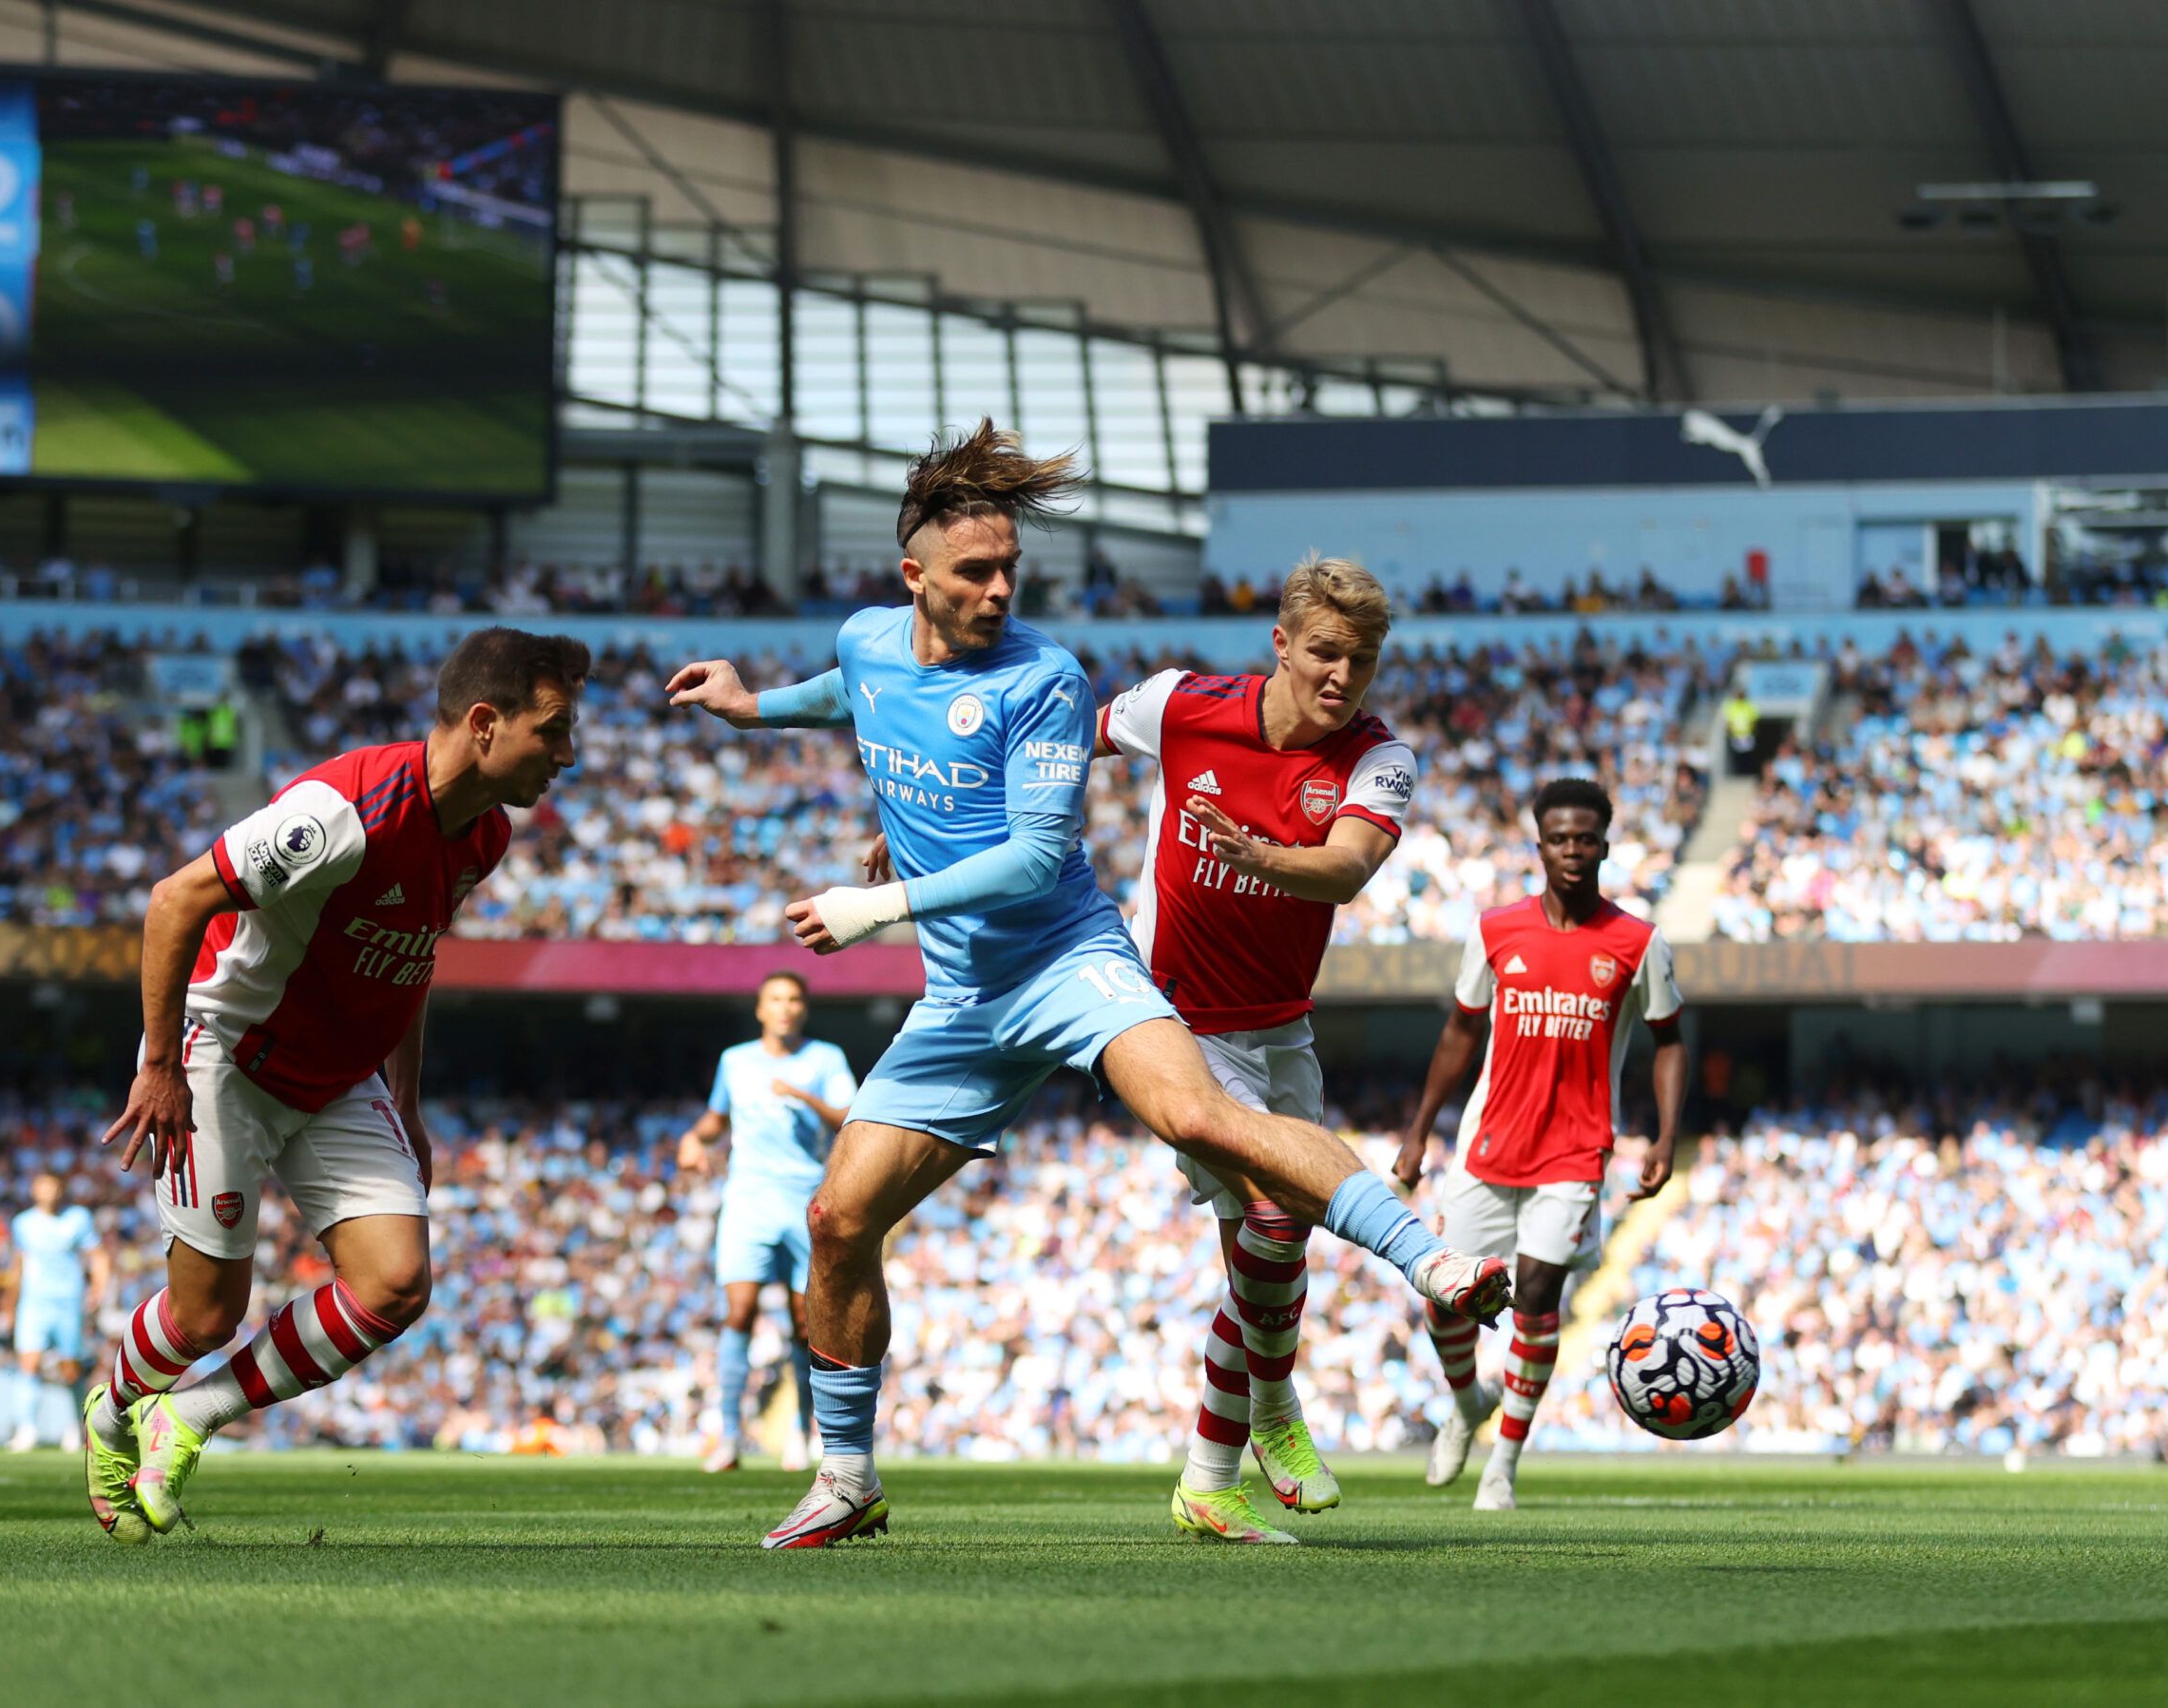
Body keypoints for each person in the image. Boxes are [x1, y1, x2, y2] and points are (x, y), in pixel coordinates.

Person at [667, 419, 1508, 1551]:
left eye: (1012, 568)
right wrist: (752, 705)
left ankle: (1429, 1262)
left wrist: (881, 903)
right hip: (962, 999)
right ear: (913, 576)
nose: (1001, 588)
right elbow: (857, 688)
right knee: (837, 1218)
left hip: (1071, 962)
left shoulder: (1046, 677)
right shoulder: (871, 638)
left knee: (1202, 1116)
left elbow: (1026, 856)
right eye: (976, 571)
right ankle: (847, 1476)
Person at [86, 626, 588, 1543]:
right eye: (551, 730)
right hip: (228, 1056)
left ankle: (188, 1417)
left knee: (396, 1283)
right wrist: (159, 1064)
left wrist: (409, 1093)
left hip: (341, 1076)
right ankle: (116, 1409)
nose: (567, 754)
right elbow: (174, 900)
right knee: (206, 1314)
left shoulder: (485, 834)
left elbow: (412, 956)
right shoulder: (341, 811)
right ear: (484, 723)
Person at [1090, 551, 1419, 1543]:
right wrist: (942, 828)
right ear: (1280, 643)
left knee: (1274, 1246)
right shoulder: (1183, 705)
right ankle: (1211, 1472)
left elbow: (1347, 868)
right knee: (1276, 1222)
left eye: (1358, 662)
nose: (1338, 677)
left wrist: (1257, 855)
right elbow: (1065, 738)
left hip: (1282, 1025)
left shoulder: (1378, 757)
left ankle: (1269, 1409)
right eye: (1322, 653)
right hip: (1179, 1025)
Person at [1393, 777, 1689, 1511]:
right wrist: (1419, 1125)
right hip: (1489, 1141)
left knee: (1535, 1297)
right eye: (1559, 838)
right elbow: (1461, 1031)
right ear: (1540, 846)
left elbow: (1670, 1041)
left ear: (1604, 847)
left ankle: (1504, 1463)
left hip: (1576, 1150)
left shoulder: (1637, 942)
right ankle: (1468, 1404)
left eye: (1586, 838)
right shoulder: (1496, 930)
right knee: (1445, 1300)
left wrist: (1665, 1133)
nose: (1573, 850)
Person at [677, 971, 857, 1474]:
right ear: (761, 1009)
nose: (785, 1007)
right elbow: (718, 1118)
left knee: (806, 1322)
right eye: (775, 999)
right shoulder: (735, 1061)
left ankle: (801, 1430)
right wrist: (695, 1138)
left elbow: (848, 1117)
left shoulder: (825, 1059)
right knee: (739, 1310)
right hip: (747, 1200)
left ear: (804, 1007)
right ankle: (729, 1437)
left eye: (794, 998)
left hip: (803, 1199)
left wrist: (805, 1098)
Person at [4, 1171, 109, 1452]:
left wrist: (98, 1289)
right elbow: (18, 1264)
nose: (47, 1190)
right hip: (34, 1302)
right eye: (42, 1185)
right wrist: (9, 1303)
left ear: (60, 1188)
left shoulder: (77, 1218)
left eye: (52, 1185)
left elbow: (97, 1255)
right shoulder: (23, 1223)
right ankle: (26, 1429)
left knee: (70, 1368)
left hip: (68, 1302)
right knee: (28, 1363)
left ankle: (74, 1427)